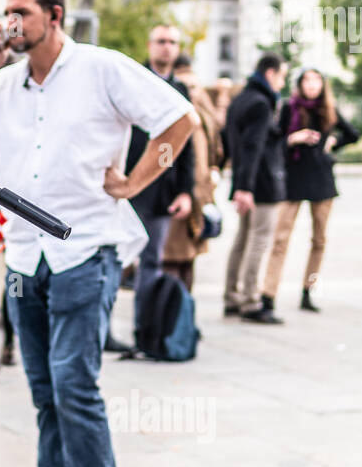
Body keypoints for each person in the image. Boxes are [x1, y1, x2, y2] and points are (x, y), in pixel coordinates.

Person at [0, 0, 194, 467]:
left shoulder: (102, 68)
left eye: (22, 13)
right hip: (25, 255)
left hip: (88, 249)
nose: (11, 23)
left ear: (54, 16)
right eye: (6, 12)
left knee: (73, 385)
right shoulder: (2, 84)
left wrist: (134, 183)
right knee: (42, 390)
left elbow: (179, 119)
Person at [260, 68, 360, 313]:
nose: (312, 84)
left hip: (321, 179)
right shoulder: (287, 108)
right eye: (307, 80)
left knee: (319, 241)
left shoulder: (328, 109)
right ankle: (268, 295)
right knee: (280, 240)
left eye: (317, 80)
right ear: (300, 84)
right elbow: (274, 143)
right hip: (293, 179)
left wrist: (333, 142)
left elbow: (353, 134)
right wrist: (294, 139)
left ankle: (309, 289)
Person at [124, 26, 194, 327]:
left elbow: (186, 145)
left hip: (163, 189)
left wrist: (185, 190)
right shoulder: (131, 82)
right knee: (116, 258)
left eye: (172, 43)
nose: (166, 48)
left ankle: (146, 327)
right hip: (129, 185)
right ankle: (103, 332)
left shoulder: (181, 90)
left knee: (152, 259)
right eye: (161, 42)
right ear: (150, 46)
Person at [222, 53, 289, 323]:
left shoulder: (240, 99)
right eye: (282, 76)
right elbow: (253, 146)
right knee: (258, 240)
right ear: (271, 73)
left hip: (246, 180)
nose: (283, 83)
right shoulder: (261, 103)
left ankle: (232, 296)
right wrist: (246, 188)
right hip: (260, 183)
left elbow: (232, 144)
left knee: (242, 239)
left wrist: (239, 184)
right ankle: (250, 300)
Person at [162, 54, 224, 289]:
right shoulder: (201, 99)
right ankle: (180, 313)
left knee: (173, 257)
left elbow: (168, 150)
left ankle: (174, 316)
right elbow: (215, 142)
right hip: (196, 187)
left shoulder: (177, 96)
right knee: (184, 257)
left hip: (183, 186)